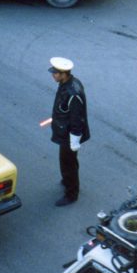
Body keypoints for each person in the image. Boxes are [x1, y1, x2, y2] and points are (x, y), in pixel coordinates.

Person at [49, 57, 90, 207]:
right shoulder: (67, 83)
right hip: (64, 130)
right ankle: (68, 180)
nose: (53, 75)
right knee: (68, 161)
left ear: (64, 74)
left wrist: (74, 140)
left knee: (68, 163)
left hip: (69, 134)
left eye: (55, 73)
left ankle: (72, 193)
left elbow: (76, 118)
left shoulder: (73, 93)